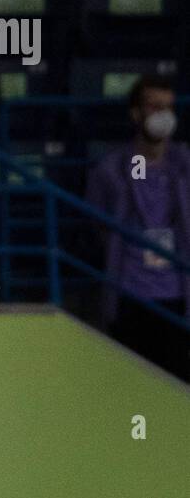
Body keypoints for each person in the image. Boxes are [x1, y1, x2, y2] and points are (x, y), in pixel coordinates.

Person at [85, 74, 190, 380]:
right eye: (154, 106)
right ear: (136, 113)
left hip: (178, 297)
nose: (163, 115)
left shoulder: (184, 165)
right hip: (130, 295)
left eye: (168, 107)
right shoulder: (110, 170)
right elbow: (97, 221)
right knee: (131, 387)